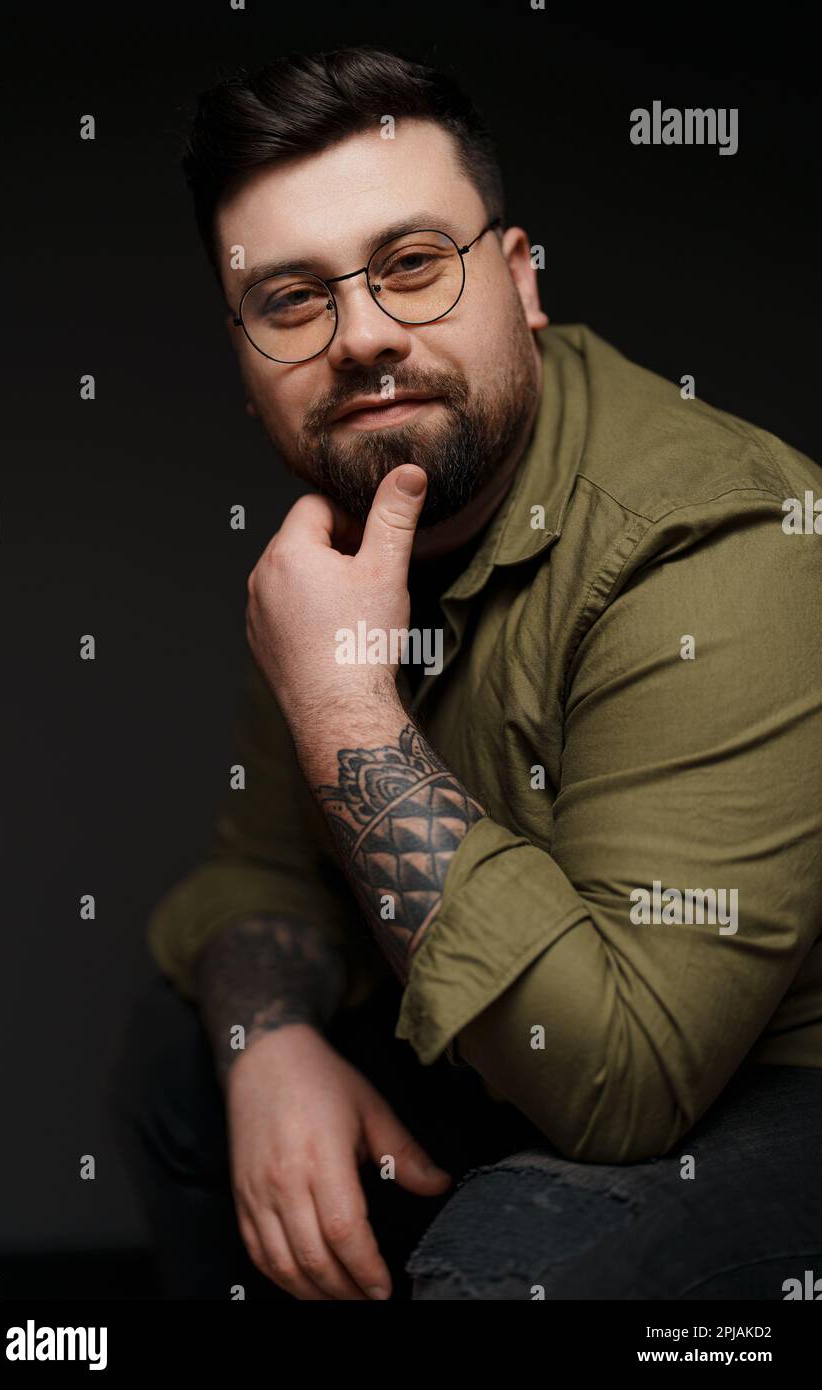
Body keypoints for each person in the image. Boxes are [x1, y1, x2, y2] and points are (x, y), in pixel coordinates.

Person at [110, 44, 822, 1301]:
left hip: (765, 1089)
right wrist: (263, 1040)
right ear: (244, 355)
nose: (363, 337)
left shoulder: (719, 531)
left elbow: (631, 1075)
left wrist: (338, 707)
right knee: (187, 1057)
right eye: (289, 299)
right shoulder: (336, 541)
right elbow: (253, 878)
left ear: (517, 279)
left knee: (512, 1261)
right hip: (528, 1039)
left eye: (411, 266)